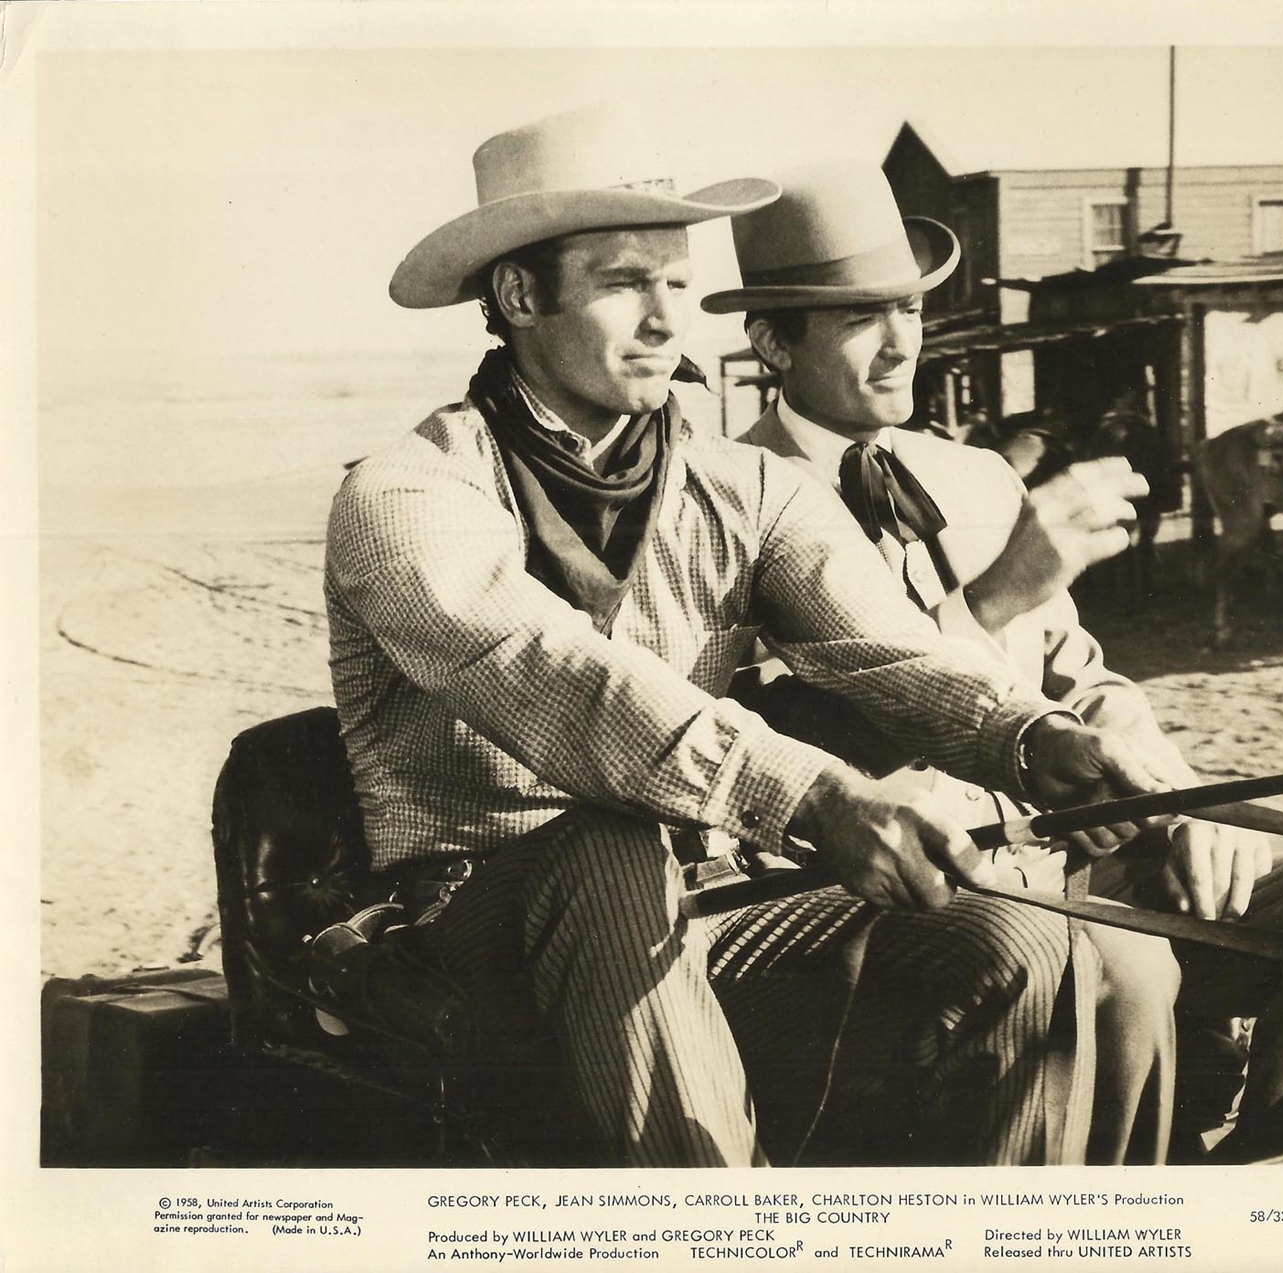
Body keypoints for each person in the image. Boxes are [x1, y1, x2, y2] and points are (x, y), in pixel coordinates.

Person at [324, 109, 1174, 1169]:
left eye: (676, 284)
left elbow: (892, 652)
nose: (661, 319)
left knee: (1022, 940)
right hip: (476, 923)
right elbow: (552, 675)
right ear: (517, 296)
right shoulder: (407, 492)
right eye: (624, 281)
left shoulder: (749, 486)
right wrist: (814, 797)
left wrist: (1032, 736)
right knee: (607, 847)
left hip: (713, 896)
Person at [705, 160, 1283, 1164]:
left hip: (1073, 851)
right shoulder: (724, 503)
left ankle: (1274, 1197)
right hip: (918, 892)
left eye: (910, 308)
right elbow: (801, 733)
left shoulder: (971, 475)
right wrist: (995, 594)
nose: (900, 340)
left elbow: (1087, 679)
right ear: (771, 339)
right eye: (858, 316)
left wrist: (1175, 798)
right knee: (1125, 968)